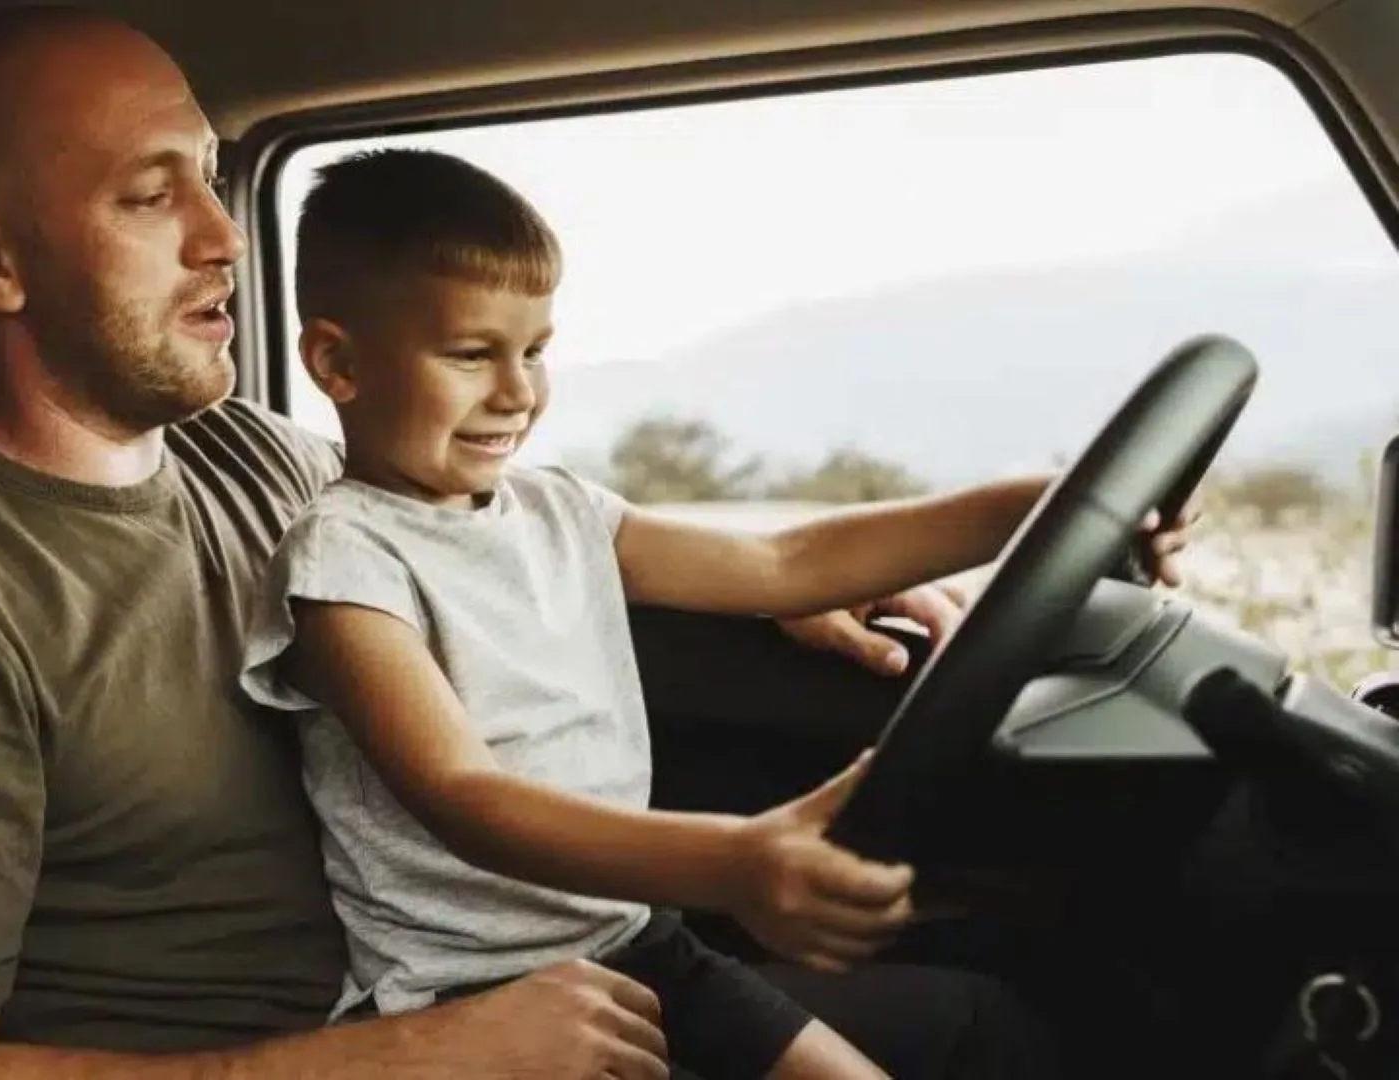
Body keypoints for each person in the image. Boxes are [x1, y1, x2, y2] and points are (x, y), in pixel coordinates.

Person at [0, 6, 1160, 1078]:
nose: (224, 238)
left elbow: (477, 545)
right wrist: (410, 1060)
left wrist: (761, 602)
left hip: (508, 986)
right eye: (151, 196)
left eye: (216, 178)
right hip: (356, 1051)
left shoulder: (254, 455)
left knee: (991, 1019)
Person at [235, 148, 1196, 1079]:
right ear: (337, 362)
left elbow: (788, 560)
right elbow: (466, 798)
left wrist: (1036, 505)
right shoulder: (345, 560)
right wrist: (731, 860)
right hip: (476, 998)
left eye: (535, 350)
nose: (518, 391)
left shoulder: (559, 509)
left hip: (640, 936)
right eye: (471, 354)